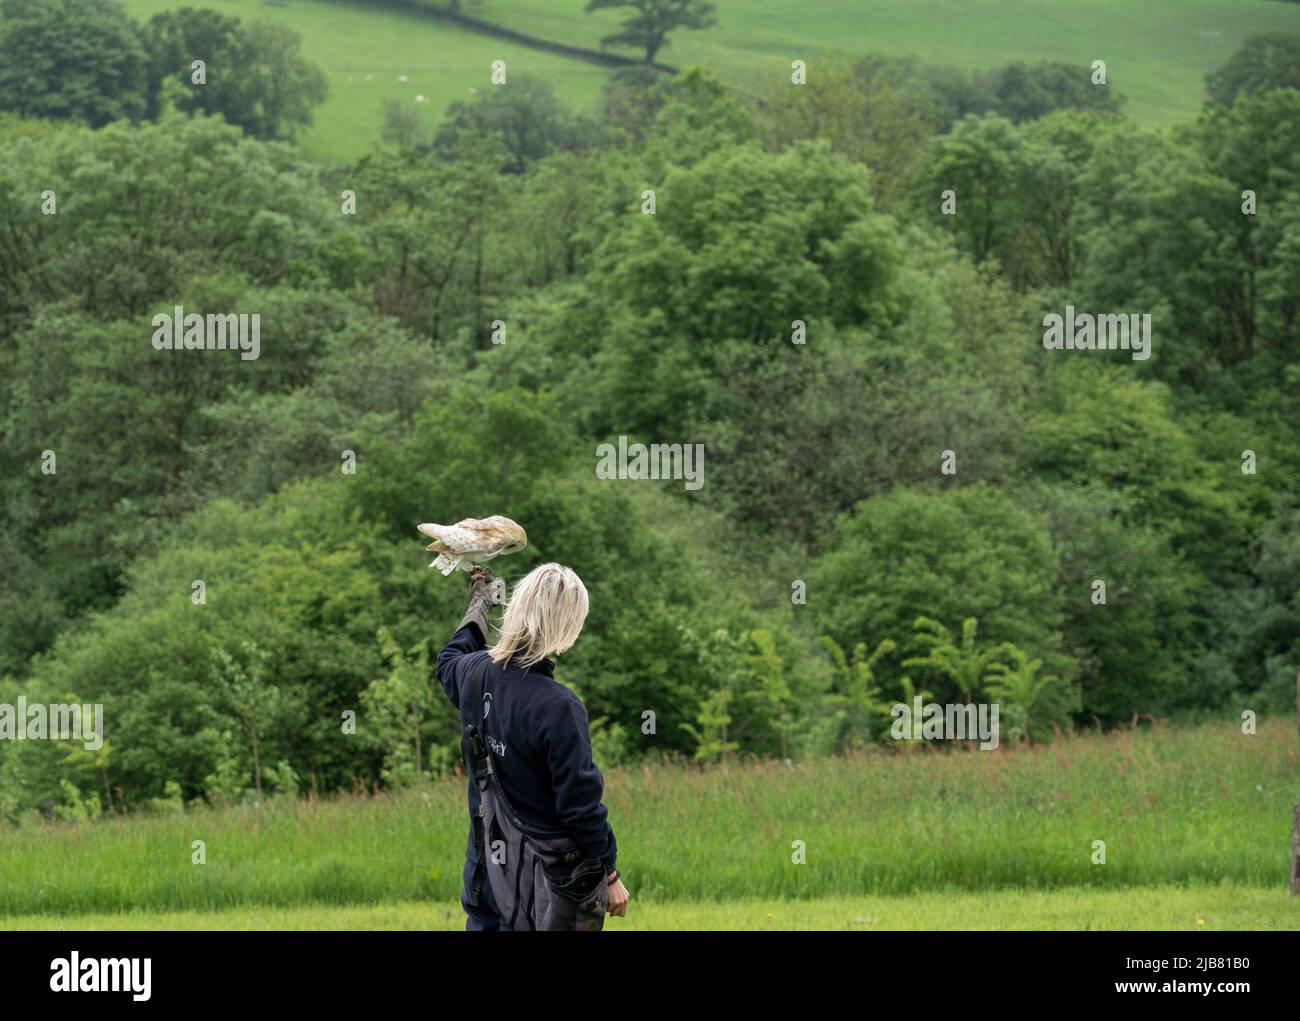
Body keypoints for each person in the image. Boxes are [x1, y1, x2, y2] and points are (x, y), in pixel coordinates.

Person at [436, 562, 631, 930]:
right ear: (568, 625)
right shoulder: (559, 707)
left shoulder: (474, 673)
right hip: (540, 888)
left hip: (484, 872)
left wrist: (479, 603)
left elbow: (448, 658)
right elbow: (580, 808)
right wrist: (609, 873)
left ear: (518, 606)